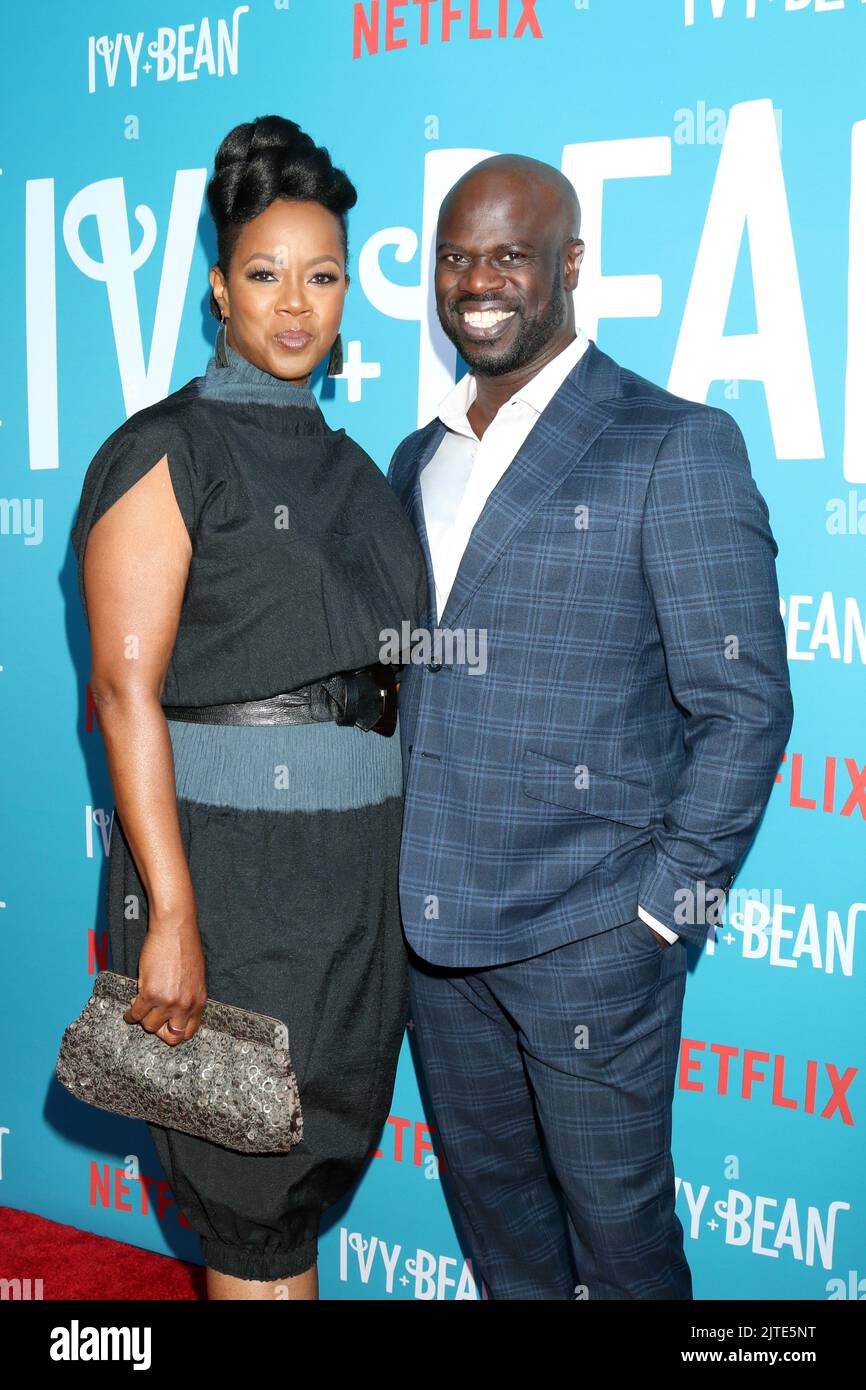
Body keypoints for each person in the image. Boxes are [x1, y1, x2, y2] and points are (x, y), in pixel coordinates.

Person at [388, 154, 794, 1300]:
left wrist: (656, 917)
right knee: (501, 1238)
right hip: (437, 945)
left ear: (568, 265)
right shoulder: (414, 458)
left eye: (509, 254)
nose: (478, 279)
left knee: (620, 1251)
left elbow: (744, 705)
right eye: (456, 256)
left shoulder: (669, 442)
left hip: (590, 946)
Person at [71, 115, 427, 1301]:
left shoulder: (356, 468)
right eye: (264, 274)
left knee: (301, 1198)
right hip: (231, 881)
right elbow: (123, 689)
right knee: (252, 1219)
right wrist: (171, 912)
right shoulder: (165, 452)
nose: (294, 303)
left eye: (320, 276)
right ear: (219, 287)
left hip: (348, 887)